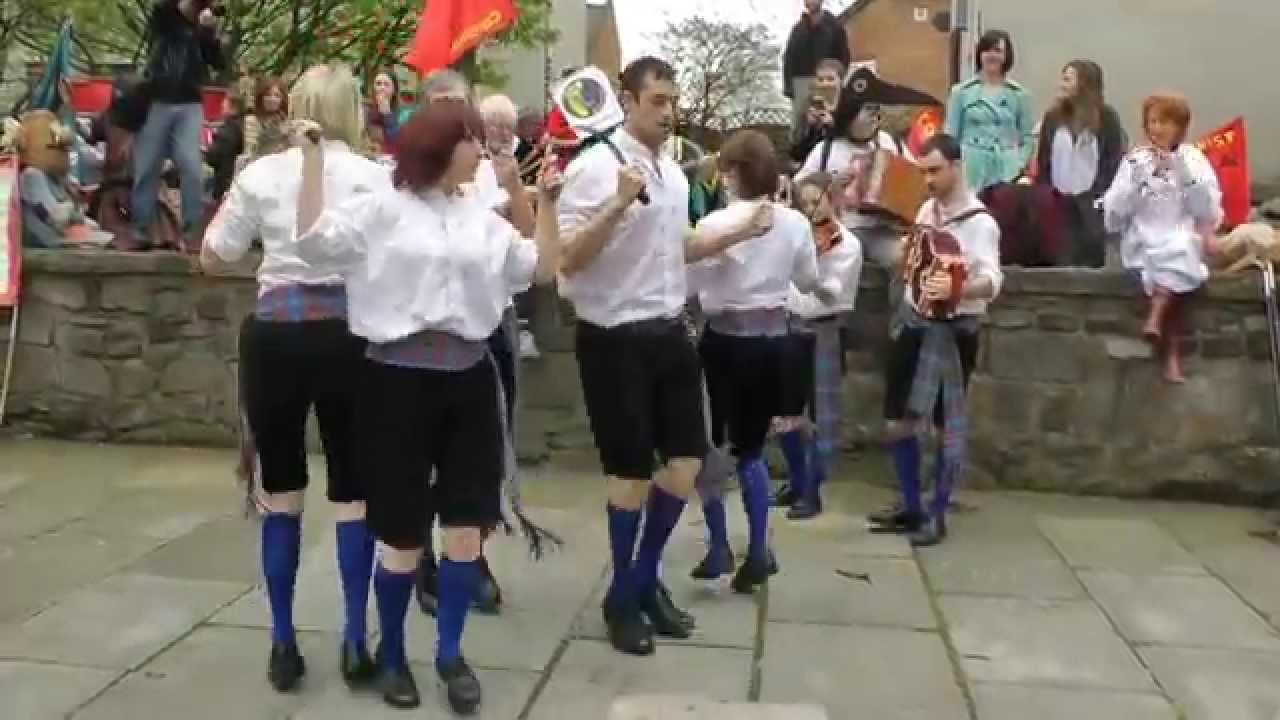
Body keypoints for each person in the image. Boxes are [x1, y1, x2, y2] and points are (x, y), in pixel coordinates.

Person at [291, 96, 562, 711]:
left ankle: (449, 653)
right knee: (403, 536)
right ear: (442, 146)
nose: (484, 149)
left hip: (468, 383)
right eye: (473, 139)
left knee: (466, 530)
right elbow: (312, 246)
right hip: (395, 386)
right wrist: (311, 162)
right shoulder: (380, 209)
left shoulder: (483, 217)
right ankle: (392, 658)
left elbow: (541, 268)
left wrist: (544, 200)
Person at [557, 56, 775, 656]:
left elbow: (676, 245)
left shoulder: (674, 176)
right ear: (626, 101)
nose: (668, 110)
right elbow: (568, 259)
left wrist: (739, 231)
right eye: (657, 100)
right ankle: (624, 599)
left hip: (669, 330)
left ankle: (638, 582)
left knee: (683, 466)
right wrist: (618, 204)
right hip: (612, 338)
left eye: (671, 100)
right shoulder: (595, 168)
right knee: (628, 476)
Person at [201, 64, 385, 695]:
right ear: (352, 109)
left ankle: (282, 640)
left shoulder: (259, 174)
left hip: (277, 333)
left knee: (281, 490)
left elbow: (212, 254)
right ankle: (356, 637)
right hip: (348, 333)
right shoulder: (373, 176)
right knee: (355, 490)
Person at [687, 130, 825, 588]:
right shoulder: (794, 224)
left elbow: (689, 287)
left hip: (725, 343)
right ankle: (760, 548)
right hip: (773, 340)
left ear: (732, 173)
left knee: (710, 445)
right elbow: (808, 281)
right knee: (751, 451)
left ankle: (720, 544)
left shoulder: (714, 225)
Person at [415, 91, 530, 619]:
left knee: (485, 449)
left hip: (489, 325)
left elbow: (530, 247)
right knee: (421, 454)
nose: (494, 136)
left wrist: (517, 190)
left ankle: (472, 555)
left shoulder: (491, 173)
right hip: (428, 334)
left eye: (498, 127)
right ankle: (420, 556)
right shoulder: (405, 189)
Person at [868, 133, 1002, 547]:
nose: (927, 179)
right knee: (897, 421)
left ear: (957, 166)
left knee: (947, 428)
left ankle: (938, 514)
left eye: (935, 170)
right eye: (923, 171)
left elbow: (993, 281)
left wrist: (959, 289)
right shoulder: (927, 209)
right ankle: (911, 505)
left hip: (954, 332)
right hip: (914, 324)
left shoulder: (981, 223)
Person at [1103, 93, 1222, 384]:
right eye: (1153, 121)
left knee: (1179, 252)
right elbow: (1113, 215)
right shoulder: (1134, 160)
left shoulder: (1193, 158)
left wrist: (1181, 171)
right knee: (1169, 265)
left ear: (1179, 127)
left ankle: (1157, 322)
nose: (1157, 128)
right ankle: (1170, 354)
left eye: (1165, 122)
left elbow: (1206, 210)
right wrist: (1134, 183)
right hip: (1143, 236)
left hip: (1180, 232)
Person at [775, 172, 863, 520]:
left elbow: (831, 292)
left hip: (825, 328)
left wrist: (814, 263)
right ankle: (795, 481)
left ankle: (813, 490)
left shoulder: (847, 244)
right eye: (804, 203)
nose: (810, 211)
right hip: (792, 323)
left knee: (821, 416)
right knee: (785, 412)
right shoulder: (800, 237)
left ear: (832, 199)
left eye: (816, 202)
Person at [132, 0, 225, 248]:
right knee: (147, 167)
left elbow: (218, 63)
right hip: (156, 99)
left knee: (192, 167)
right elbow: (163, 13)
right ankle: (140, 229)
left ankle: (191, 232)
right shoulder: (165, 16)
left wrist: (208, 31)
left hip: (190, 103)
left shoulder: (203, 26)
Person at [1035, 60, 1127, 267]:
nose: (1061, 84)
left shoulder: (1107, 119)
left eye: (1068, 79)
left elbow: (1111, 164)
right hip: (1056, 205)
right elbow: (1044, 163)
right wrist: (1045, 197)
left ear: (1084, 83)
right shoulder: (1053, 118)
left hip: (1091, 208)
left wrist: (1094, 199)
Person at [944, 29, 1035, 195]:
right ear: (980, 54)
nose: (992, 55)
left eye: (998, 51)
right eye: (987, 50)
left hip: (1006, 169)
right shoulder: (961, 92)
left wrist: (1018, 162)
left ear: (1007, 56)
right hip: (971, 167)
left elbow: (1027, 137)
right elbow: (950, 136)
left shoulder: (1019, 94)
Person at [782, 0, 851, 142]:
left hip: (826, 81)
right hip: (801, 83)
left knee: (826, 120)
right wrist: (789, 88)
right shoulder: (797, 29)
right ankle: (799, 158)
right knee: (799, 126)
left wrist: (838, 80)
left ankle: (826, 152)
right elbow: (789, 58)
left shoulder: (834, 26)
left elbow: (844, 56)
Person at [789, 58, 844, 167]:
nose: (825, 84)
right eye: (820, 79)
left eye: (830, 79)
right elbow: (796, 153)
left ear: (841, 80)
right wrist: (809, 128)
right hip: (812, 165)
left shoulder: (848, 107)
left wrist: (832, 126)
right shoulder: (809, 105)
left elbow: (852, 144)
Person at [241, 76, 290, 165]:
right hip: (260, 167)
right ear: (261, 97)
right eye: (268, 95)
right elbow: (250, 149)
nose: (272, 99)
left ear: (282, 99)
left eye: (277, 96)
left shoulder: (286, 120)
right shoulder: (252, 120)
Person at [366, 69, 401, 154]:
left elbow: (398, 141)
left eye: (386, 84)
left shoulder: (404, 113)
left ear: (394, 90)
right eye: (378, 84)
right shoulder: (366, 110)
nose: (382, 87)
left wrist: (387, 115)